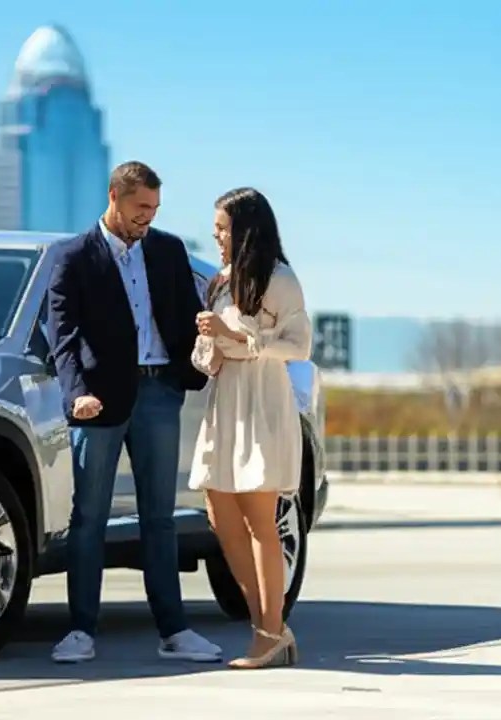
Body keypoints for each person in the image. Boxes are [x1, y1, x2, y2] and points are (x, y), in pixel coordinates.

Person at [46, 160, 223, 664]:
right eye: (141, 206)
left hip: (159, 393)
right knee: (89, 518)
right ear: (114, 197)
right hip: (99, 400)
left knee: (159, 518)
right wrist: (76, 394)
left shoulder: (167, 250)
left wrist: (197, 369)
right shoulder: (72, 256)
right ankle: (81, 631)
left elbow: (188, 316)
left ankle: (174, 631)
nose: (148, 216)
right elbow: (62, 335)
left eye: (155, 208)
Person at [188, 186, 312, 669]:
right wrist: (211, 344)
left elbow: (298, 346)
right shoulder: (219, 282)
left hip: (262, 400)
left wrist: (238, 335)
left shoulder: (279, 278)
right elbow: (208, 359)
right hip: (226, 402)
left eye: (223, 229)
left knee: (261, 520)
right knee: (220, 513)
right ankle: (267, 626)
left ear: (245, 230)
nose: (216, 238)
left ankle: (268, 632)